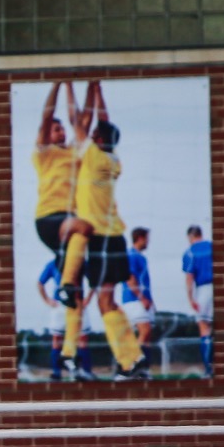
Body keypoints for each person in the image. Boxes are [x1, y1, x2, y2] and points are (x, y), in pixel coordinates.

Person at [63, 86, 147, 380]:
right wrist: (97, 89)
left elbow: (77, 119)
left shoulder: (94, 156)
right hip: (116, 238)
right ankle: (134, 359)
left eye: (94, 133)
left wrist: (72, 87)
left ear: (98, 140)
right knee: (108, 302)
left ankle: (130, 360)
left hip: (98, 238)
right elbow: (104, 122)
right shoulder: (113, 161)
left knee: (103, 303)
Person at [31, 81, 78, 260]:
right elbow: (47, 117)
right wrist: (57, 84)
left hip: (70, 214)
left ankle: (66, 283)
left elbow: (81, 122)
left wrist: (70, 86)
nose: (63, 132)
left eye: (63, 129)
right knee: (83, 227)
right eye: (57, 129)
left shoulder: (74, 152)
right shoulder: (45, 152)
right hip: (49, 215)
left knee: (74, 263)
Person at [181, 225, 215, 377]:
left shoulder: (190, 252)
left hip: (204, 289)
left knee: (204, 328)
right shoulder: (212, 246)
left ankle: (209, 368)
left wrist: (191, 298)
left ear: (190, 237)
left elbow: (189, 278)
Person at [122, 226, 156, 358]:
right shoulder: (131, 255)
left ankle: (144, 369)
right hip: (134, 300)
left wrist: (151, 301)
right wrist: (141, 298)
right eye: (147, 239)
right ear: (140, 238)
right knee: (144, 331)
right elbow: (130, 279)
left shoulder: (141, 257)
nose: (148, 242)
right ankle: (134, 363)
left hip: (142, 300)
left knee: (147, 335)